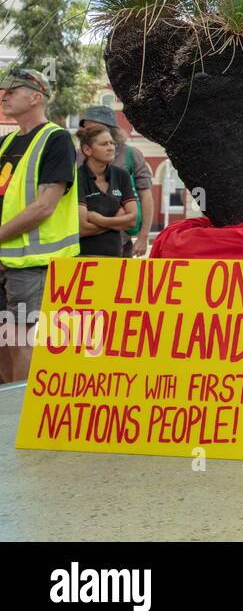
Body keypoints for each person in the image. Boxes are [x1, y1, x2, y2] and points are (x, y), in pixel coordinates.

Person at [0, 68, 78, 384]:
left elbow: (45, 205)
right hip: (9, 262)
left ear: (36, 97)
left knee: (22, 342)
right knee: (6, 343)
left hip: (35, 265)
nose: (4, 95)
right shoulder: (5, 144)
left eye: (12, 90)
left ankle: (19, 419)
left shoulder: (56, 139)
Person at [78, 105, 153, 257]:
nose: (88, 131)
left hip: (121, 242)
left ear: (110, 129)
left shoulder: (131, 154)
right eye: (86, 127)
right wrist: (117, 221)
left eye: (94, 127)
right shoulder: (76, 156)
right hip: (82, 246)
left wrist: (143, 236)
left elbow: (146, 196)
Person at [76, 126, 138, 258]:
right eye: (104, 144)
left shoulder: (122, 175)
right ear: (87, 150)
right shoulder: (77, 178)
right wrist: (117, 221)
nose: (111, 148)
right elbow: (82, 228)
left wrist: (98, 219)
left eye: (112, 143)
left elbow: (132, 220)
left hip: (115, 258)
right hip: (83, 260)